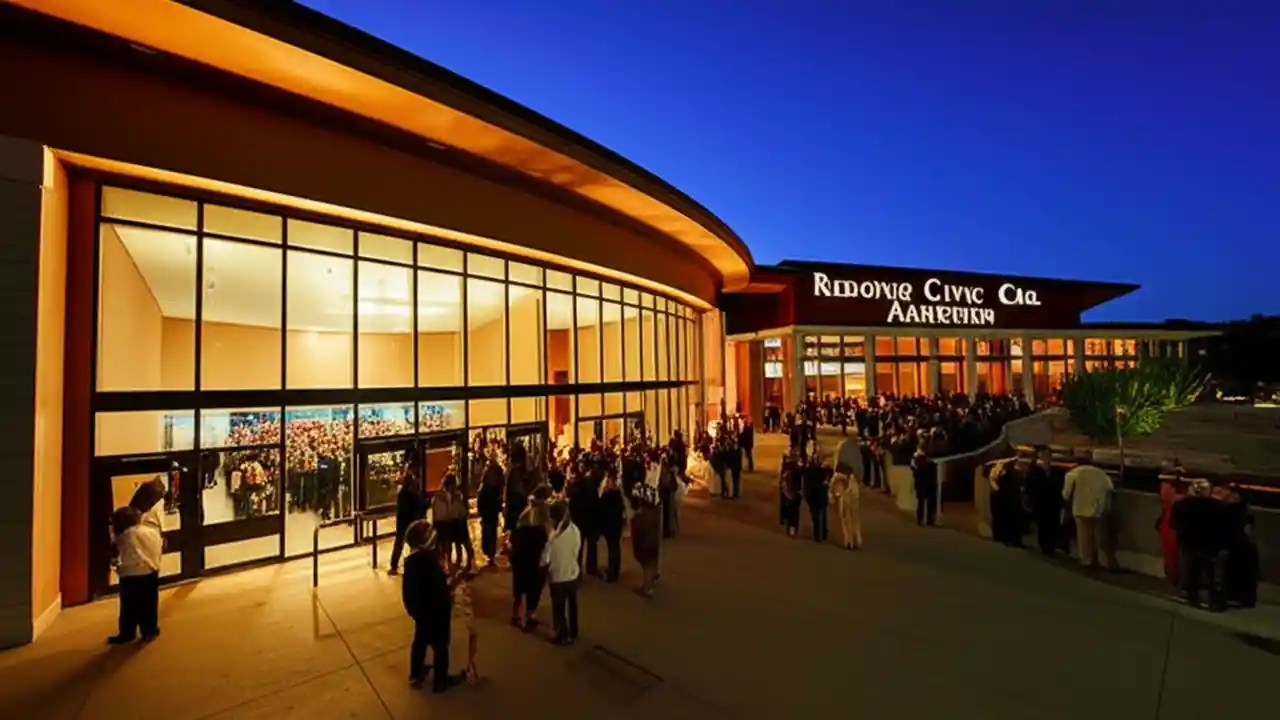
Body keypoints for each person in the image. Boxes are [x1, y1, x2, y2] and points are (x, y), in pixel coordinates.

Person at [401, 521, 459, 692]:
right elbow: (439, 590)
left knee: (420, 641)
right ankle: (441, 681)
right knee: (441, 646)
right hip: (436, 612)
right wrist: (451, 589)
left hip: (421, 612)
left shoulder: (411, 562)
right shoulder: (430, 564)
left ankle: (416, 673)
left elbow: (409, 590)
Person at [1171, 479, 1230, 611]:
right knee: (1212, 574)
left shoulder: (1181, 505)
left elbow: (1174, 524)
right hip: (1210, 544)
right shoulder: (1218, 506)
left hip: (1189, 542)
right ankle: (1214, 601)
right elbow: (1225, 526)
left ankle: (1193, 597)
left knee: (1192, 571)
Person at [108, 505, 162, 644]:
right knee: (149, 604)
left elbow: (125, 555)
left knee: (129, 607)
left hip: (131, 574)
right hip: (151, 571)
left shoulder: (125, 536)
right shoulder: (151, 531)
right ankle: (150, 630)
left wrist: (118, 567)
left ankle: (128, 633)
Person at [509, 486, 551, 631]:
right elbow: (548, 539)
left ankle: (518, 614)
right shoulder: (541, 517)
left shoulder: (525, 514)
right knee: (533, 586)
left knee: (520, 587)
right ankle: (528, 613)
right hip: (533, 558)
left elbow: (514, 538)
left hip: (521, 556)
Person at [542, 501, 582, 646]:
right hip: (572, 573)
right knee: (573, 603)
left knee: (559, 607)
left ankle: (562, 634)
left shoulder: (551, 537)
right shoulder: (575, 530)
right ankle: (574, 630)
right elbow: (577, 550)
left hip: (557, 576)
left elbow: (545, 558)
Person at [1063, 463, 1116, 570]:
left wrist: (1067, 501)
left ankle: (1087, 560)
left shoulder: (1073, 473)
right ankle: (1104, 561)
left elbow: (1066, 493)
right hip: (1099, 508)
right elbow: (1110, 489)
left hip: (1080, 508)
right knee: (1100, 536)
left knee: (1084, 536)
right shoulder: (1101, 473)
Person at [1024, 450, 1063, 555]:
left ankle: (1051, 545)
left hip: (1053, 502)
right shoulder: (1035, 471)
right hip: (1041, 502)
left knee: (1052, 524)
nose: (1046, 459)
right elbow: (1030, 485)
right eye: (1044, 456)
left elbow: (1059, 485)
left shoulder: (1055, 470)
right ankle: (1045, 546)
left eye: (1048, 456)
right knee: (1043, 525)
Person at [476, 452, 505, 566]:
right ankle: (489, 552)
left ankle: (490, 553)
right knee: (489, 530)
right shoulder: (488, 488)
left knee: (490, 531)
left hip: (491, 510)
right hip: (489, 510)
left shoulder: (492, 487)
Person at [599, 466, 626, 583]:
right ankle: (616, 570)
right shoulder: (618, 494)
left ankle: (612, 572)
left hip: (609, 524)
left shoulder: (607, 494)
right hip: (617, 523)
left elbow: (602, 508)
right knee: (616, 546)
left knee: (612, 548)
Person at [1156, 476, 1183, 586]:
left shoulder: (1165, 495)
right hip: (1173, 526)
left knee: (1168, 553)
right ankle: (1175, 577)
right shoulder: (1177, 498)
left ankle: (1171, 576)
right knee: (1174, 553)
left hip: (1165, 525)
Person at [830, 468, 863, 550]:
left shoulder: (837, 477)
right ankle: (856, 539)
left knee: (845, 519)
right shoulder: (852, 479)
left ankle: (848, 540)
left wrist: (833, 497)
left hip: (844, 498)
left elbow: (833, 490)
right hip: (851, 498)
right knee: (854, 518)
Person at [803, 451, 830, 543]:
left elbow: (806, 484)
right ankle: (822, 533)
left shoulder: (810, 470)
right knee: (820, 515)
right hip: (818, 494)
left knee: (817, 516)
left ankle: (819, 535)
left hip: (815, 495)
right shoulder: (822, 470)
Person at [911, 448, 938, 527]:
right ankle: (929, 520)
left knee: (921, 502)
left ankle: (920, 520)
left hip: (921, 484)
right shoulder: (930, 463)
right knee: (929, 502)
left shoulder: (917, 461)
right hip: (928, 484)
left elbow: (915, 473)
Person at [779, 451, 803, 538]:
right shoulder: (797, 468)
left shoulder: (787, 468)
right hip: (794, 493)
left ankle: (789, 528)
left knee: (790, 512)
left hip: (788, 493)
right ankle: (793, 529)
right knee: (794, 512)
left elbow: (782, 481)